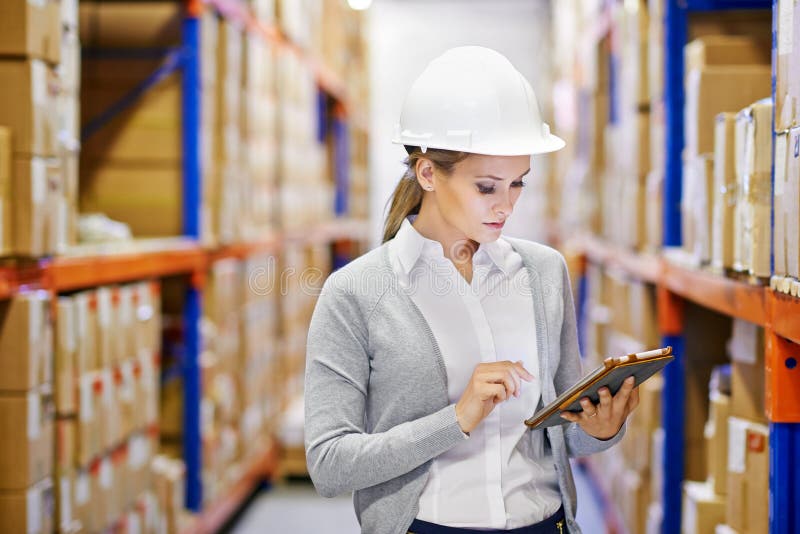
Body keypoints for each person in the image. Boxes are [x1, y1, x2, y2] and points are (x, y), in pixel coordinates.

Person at [304, 46, 639, 534]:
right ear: (427, 173)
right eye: (487, 187)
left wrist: (602, 430)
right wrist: (456, 418)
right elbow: (329, 464)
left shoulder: (544, 272)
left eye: (518, 183)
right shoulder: (357, 292)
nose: (506, 205)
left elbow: (561, 431)